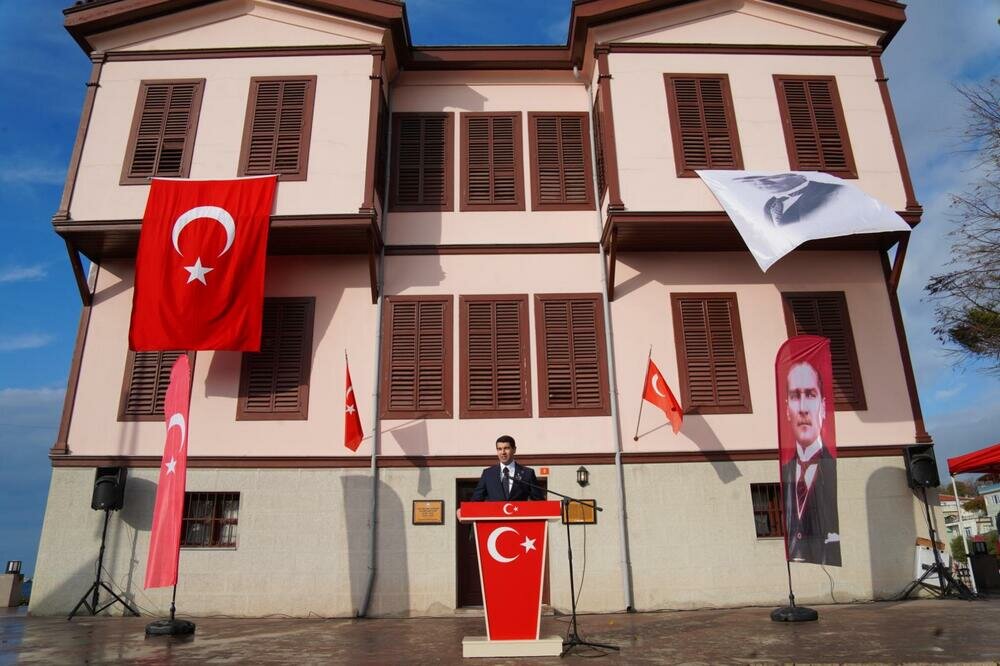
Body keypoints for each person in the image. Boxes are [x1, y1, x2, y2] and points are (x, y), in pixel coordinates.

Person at [781, 361, 841, 566]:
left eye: (810, 395)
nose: (804, 408)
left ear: (823, 407)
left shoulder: (832, 466)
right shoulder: (784, 471)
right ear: (787, 409)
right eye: (796, 396)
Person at [736, 172, 844, 227]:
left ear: (799, 176)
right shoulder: (769, 205)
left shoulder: (831, 190)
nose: (761, 183)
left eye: (769, 179)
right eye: (754, 183)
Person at [471, 435, 545, 501]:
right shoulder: (488, 474)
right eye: (499, 449)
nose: (503, 452)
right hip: (496, 515)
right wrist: (463, 510)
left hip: (518, 515)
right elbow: (476, 500)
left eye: (506, 448)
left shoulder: (527, 473)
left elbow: (540, 501)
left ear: (514, 450)